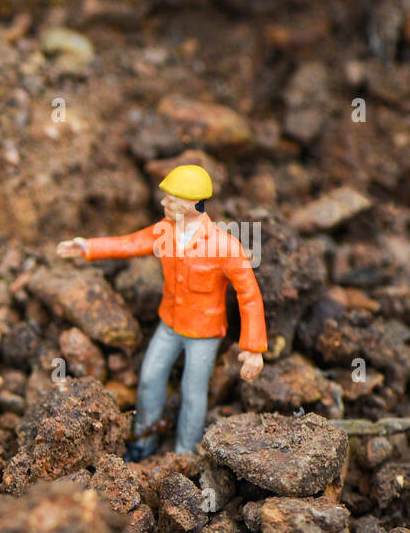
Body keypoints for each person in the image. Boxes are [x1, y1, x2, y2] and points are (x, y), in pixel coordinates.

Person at [56, 164, 266, 460]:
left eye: (172, 200)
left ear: (194, 204)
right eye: (165, 197)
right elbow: (131, 243)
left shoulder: (224, 246)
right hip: (169, 323)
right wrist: (88, 247)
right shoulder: (163, 231)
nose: (164, 203)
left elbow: (250, 295)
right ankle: (144, 441)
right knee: (150, 377)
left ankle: (184, 454)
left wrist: (253, 348)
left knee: (193, 392)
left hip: (203, 333)